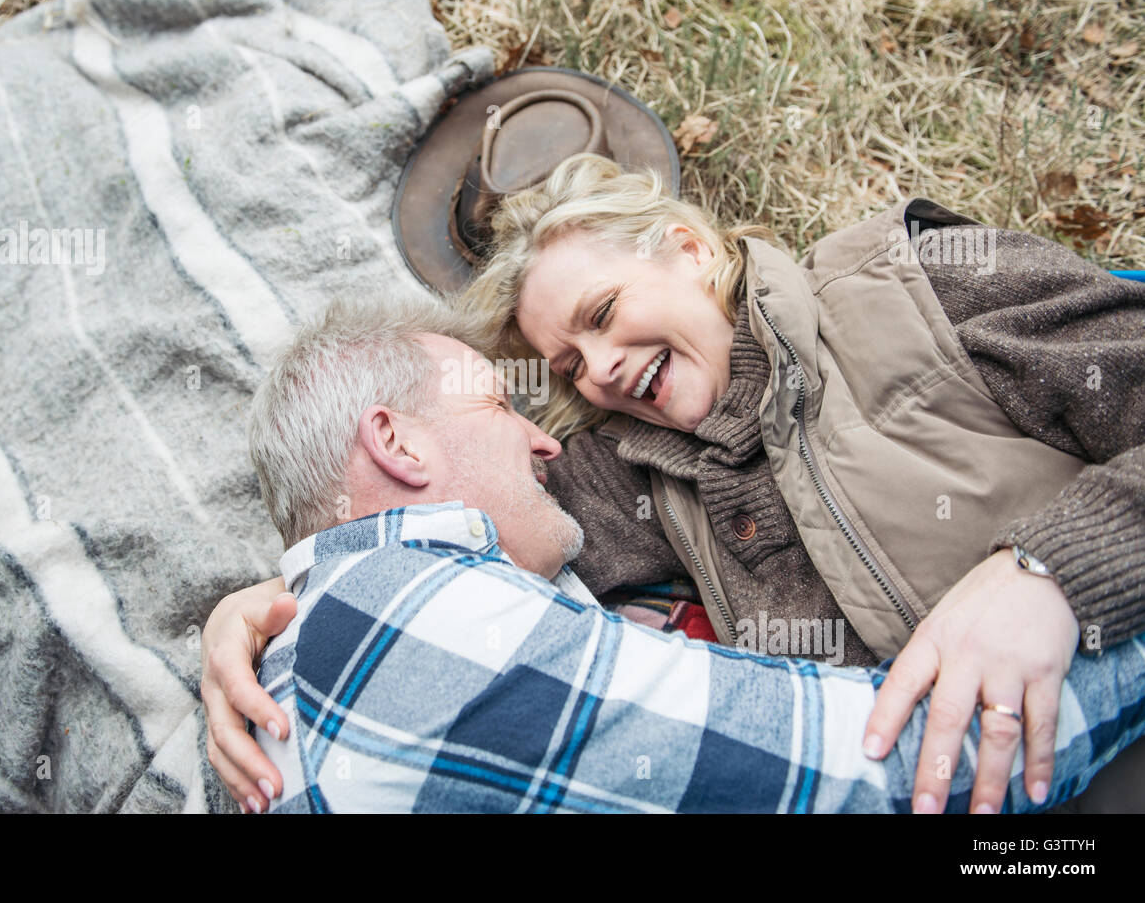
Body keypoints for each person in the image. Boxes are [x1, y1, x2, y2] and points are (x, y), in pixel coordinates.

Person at [214, 293, 1145, 813]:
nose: (546, 442)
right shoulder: (423, 625)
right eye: (503, 404)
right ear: (399, 444)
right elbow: (899, 774)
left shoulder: (299, 657)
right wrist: (1068, 583)